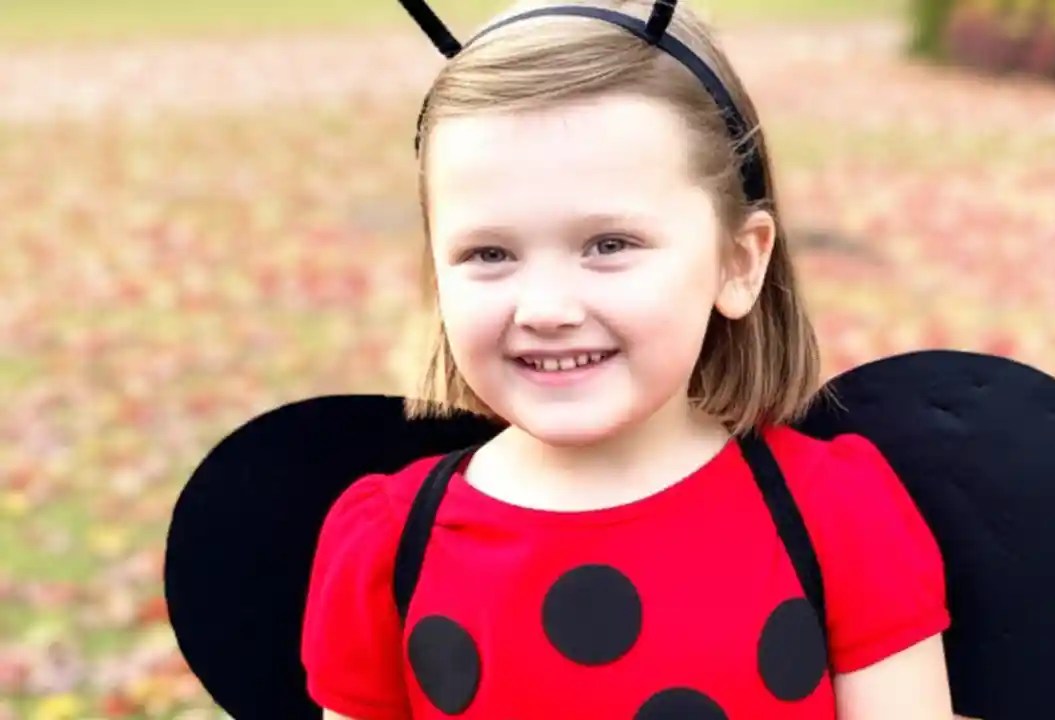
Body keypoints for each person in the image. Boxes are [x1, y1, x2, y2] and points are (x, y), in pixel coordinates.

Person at [298, 0, 954, 718]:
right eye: (489, 253)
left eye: (609, 245)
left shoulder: (836, 516)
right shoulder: (390, 549)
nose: (546, 308)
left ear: (738, 262)